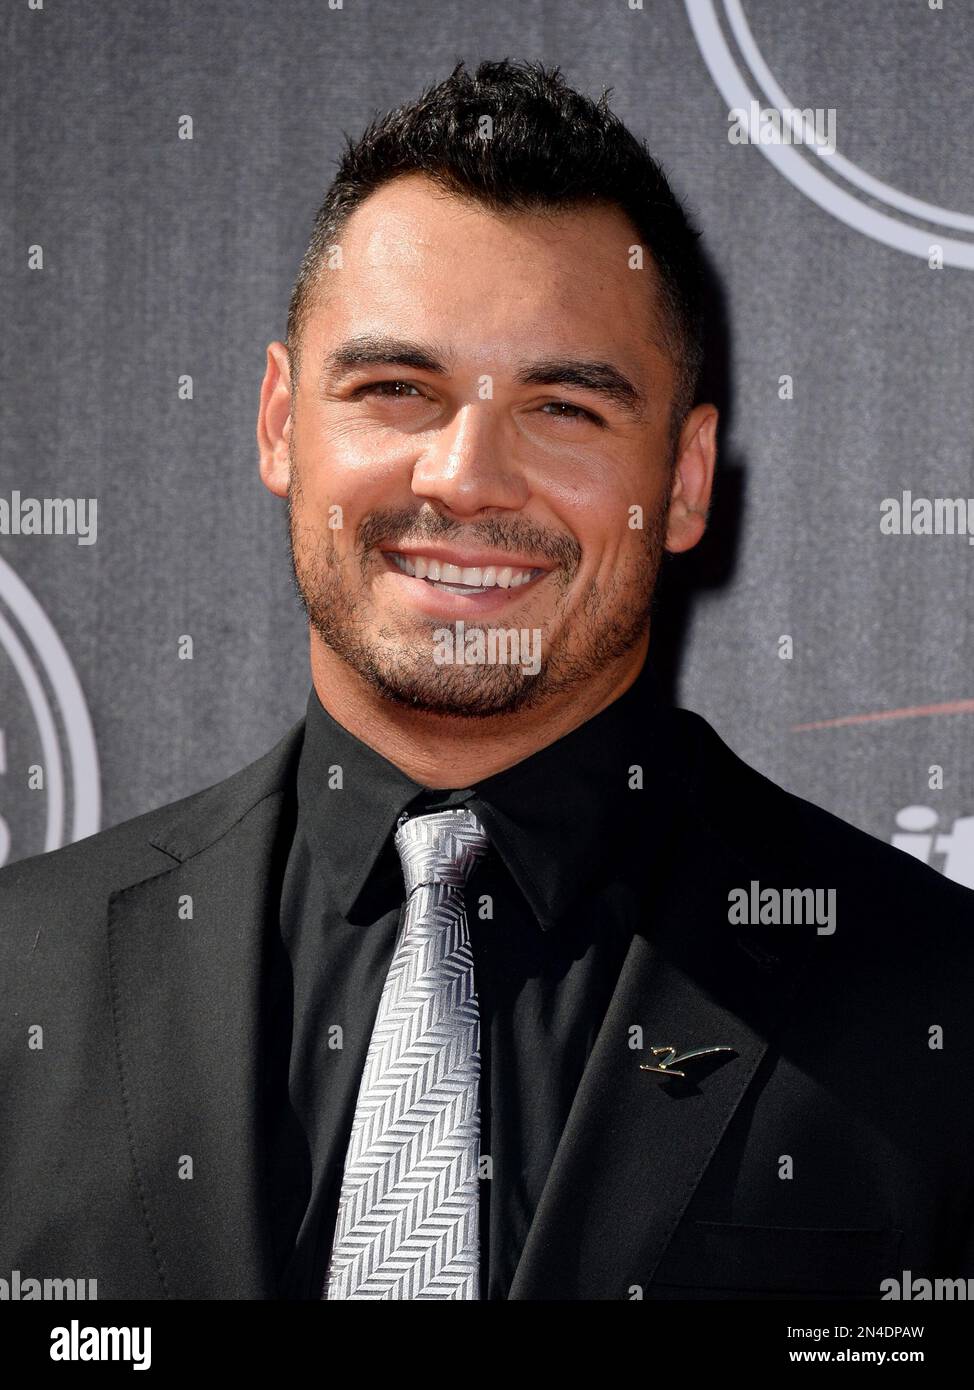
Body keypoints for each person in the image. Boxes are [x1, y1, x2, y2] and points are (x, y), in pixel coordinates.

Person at [2, 58, 972, 1302]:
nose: (465, 477)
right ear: (277, 422)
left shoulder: (928, 1000)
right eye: (395, 388)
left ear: (682, 481)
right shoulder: (21, 975)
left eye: (564, 406)